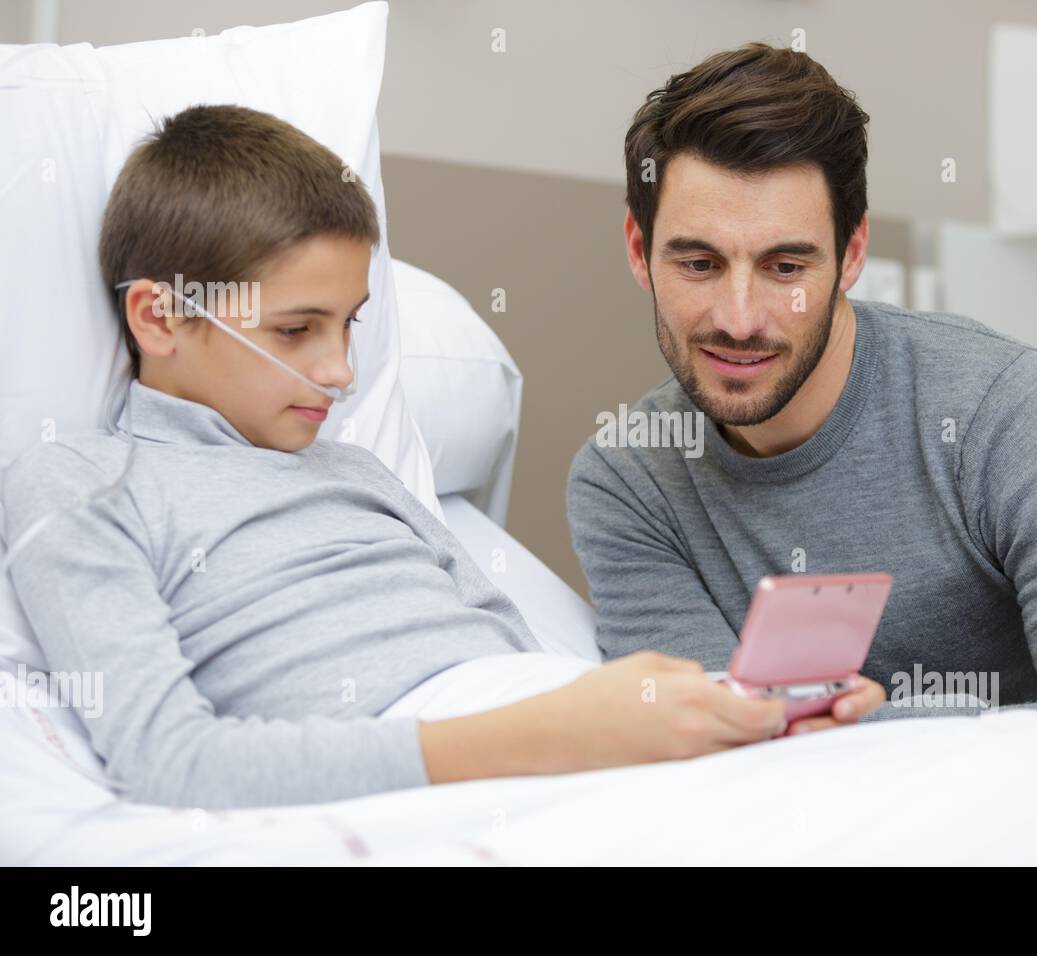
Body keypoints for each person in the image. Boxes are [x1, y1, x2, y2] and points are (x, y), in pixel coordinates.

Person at [2, 104, 859, 812]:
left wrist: (735, 710)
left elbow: (513, 652)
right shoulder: (83, 482)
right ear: (159, 317)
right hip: (459, 763)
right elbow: (171, 762)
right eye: (296, 331)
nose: (340, 373)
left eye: (351, 326)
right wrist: (554, 735)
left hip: (549, 725)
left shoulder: (357, 472)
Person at [567, 43, 1037, 729]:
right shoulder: (627, 483)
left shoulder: (1006, 410)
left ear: (851, 255)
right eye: (699, 264)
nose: (739, 319)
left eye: (785, 266)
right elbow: (717, 749)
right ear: (640, 253)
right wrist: (998, 733)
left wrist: (875, 734)